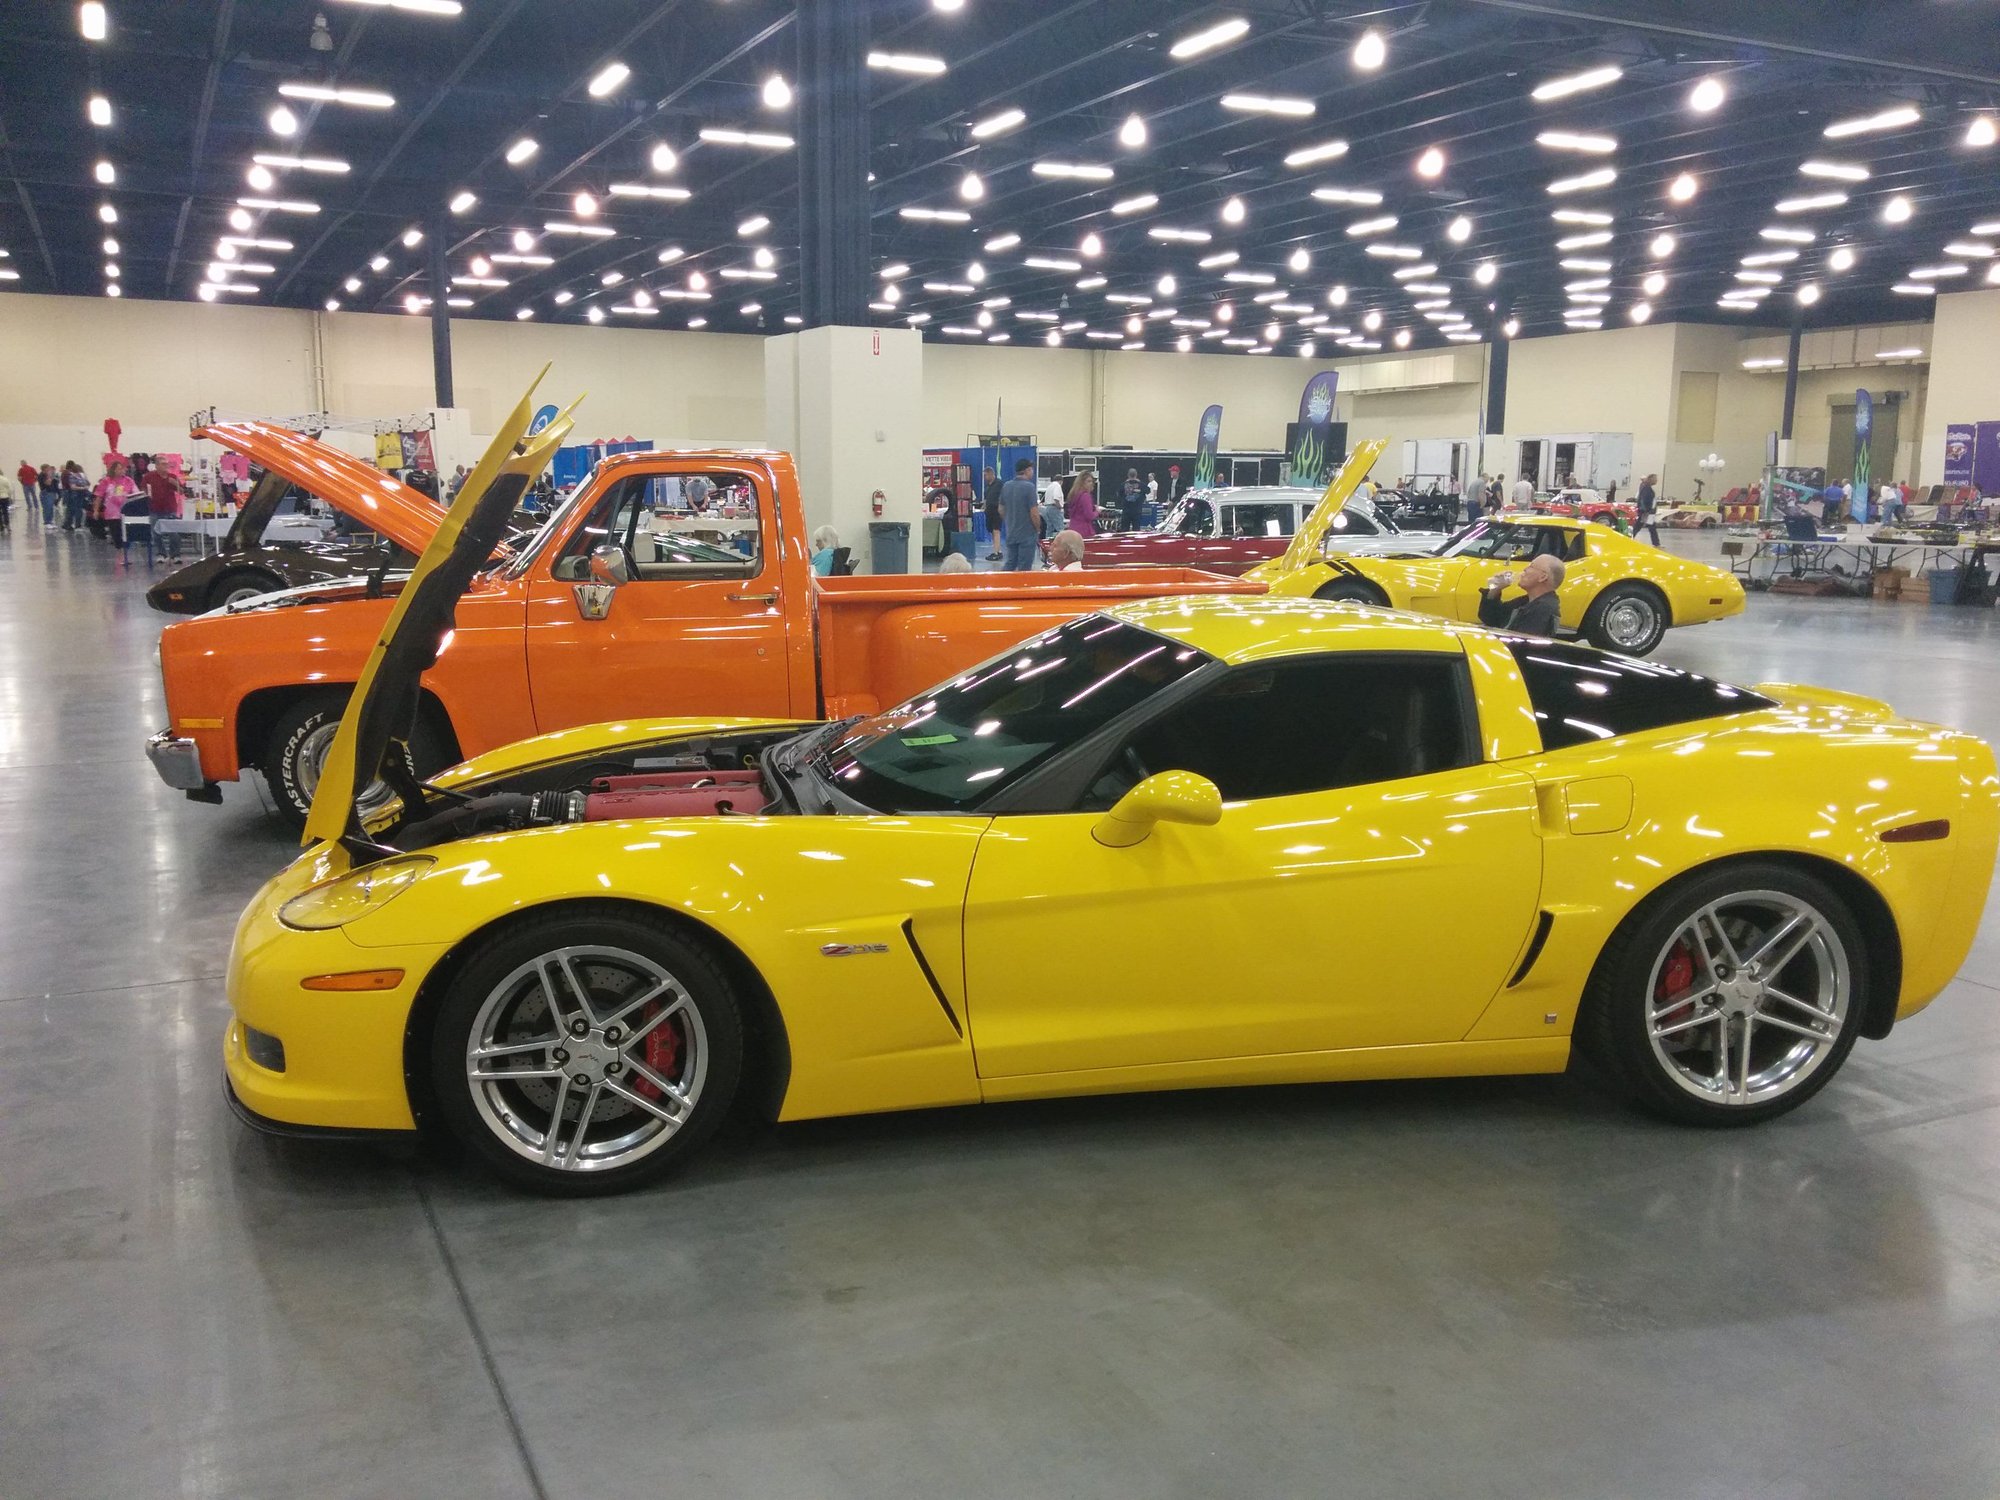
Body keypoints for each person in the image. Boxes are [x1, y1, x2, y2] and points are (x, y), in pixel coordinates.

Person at [1478, 553, 1565, 637]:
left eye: (1531, 566)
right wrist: (1495, 590)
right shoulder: (1525, 601)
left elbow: (1521, 645)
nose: (1525, 569)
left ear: (1542, 577)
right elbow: (1491, 618)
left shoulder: (1543, 610)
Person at [1000, 459, 1040, 571]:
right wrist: (1037, 528)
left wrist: (1009, 520)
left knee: (1010, 563)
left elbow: (1001, 509)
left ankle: (1001, 584)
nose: (1032, 472)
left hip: (1011, 532)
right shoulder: (1029, 487)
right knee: (1024, 567)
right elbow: (1034, 513)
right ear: (1027, 470)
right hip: (1027, 534)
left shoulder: (1006, 486)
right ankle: (1022, 586)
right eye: (1031, 469)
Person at [94, 461, 138, 544]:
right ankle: (120, 551)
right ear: (114, 470)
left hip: (126, 512)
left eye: (123, 469)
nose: (122, 470)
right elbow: (99, 496)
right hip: (112, 514)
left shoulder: (129, 481)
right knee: (117, 536)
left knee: (127, 536)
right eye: (119, 469)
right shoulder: (106, 481)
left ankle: (124, 552)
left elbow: (136, 494)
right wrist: (96, 510)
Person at [1064, 472, 1098, 536]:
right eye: (1088, 481)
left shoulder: (1073, 495)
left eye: (1091, 481)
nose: (1091, 483)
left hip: (1073, 528)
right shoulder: (1085, 496)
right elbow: (1089, 516)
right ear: (1082, 483)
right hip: (1084, 530)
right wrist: (1097, 512)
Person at [982, 469, 1004, 561]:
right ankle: (998, 550)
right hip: (989, 512)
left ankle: (996, 553)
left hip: (996, 511)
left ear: (991, 474)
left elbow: (1003, 497)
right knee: (992, 531)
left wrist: (1001, 508)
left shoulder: (999, 484)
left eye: (986, 475)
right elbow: (986, 499)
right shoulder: (988, 487)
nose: (985, 477)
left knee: (996, 530)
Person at [1634, 473, 1660, 545]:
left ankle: (1656, 543)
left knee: (1648, 527)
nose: (1656, 481)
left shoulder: (1646, 487)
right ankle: (1656, 543)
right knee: (1642, 527)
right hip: (1646, 512)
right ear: (1651, 479)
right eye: (1655, 479)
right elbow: (1644, 500)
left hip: (1647, 512)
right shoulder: (1646, 488)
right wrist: (1646, 511)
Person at [38, 464, 61, 530]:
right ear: (45, 469)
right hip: (46, 493)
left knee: (51, 508)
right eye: (48, 468)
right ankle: (47, 522)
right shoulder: (42, 475)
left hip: (51, 492)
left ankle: (50, 521)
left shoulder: (47, 475)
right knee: (47, 508)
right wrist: (50, 476)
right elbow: (48, 483)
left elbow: (55, 482)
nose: (50, 469)